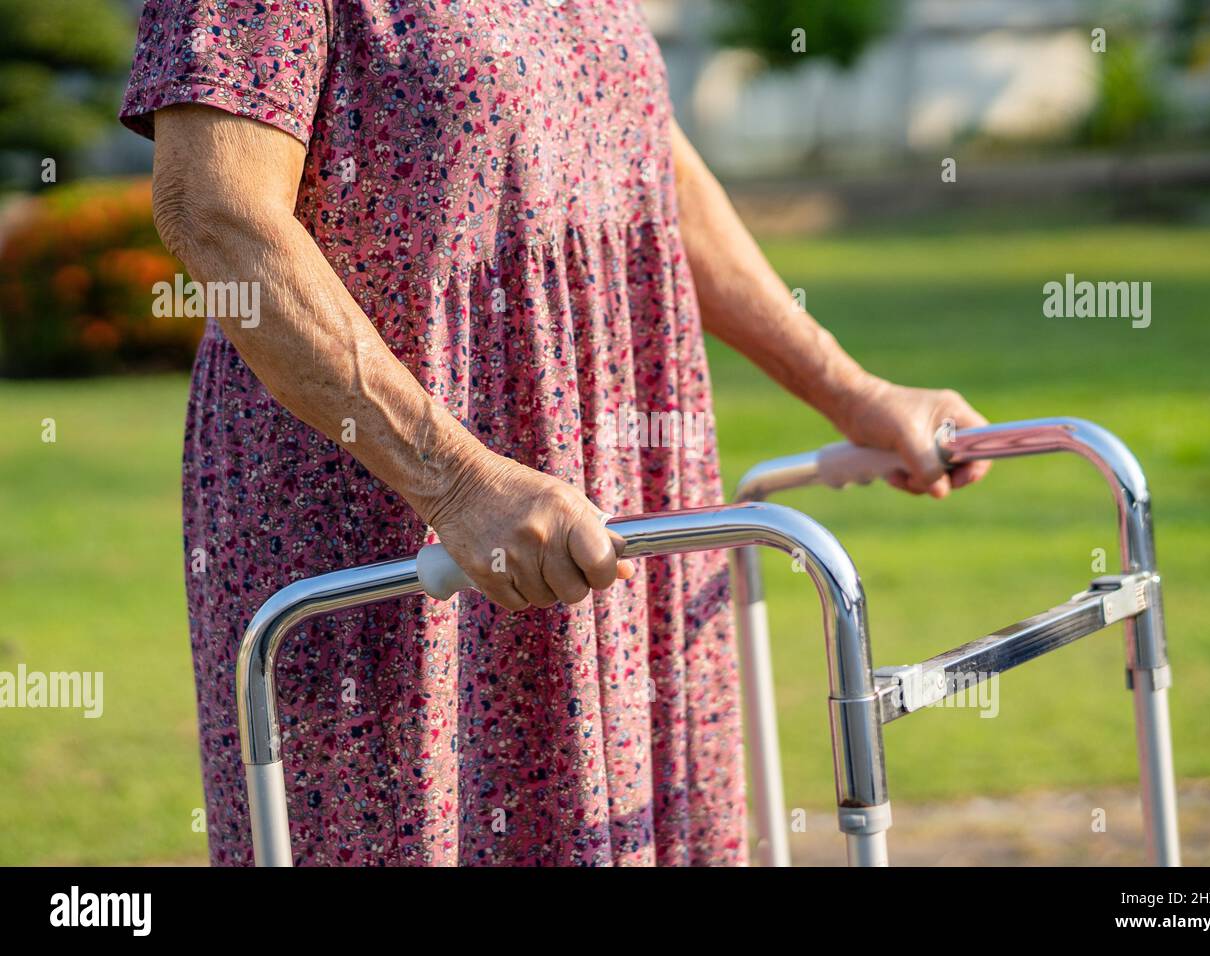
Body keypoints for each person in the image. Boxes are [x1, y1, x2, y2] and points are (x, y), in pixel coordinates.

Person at [120, 0, 990, 866]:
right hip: (393, 504)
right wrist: (458, 484)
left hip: (614, 483)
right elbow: (215, 210)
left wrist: (851, 390)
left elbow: (650, 165)